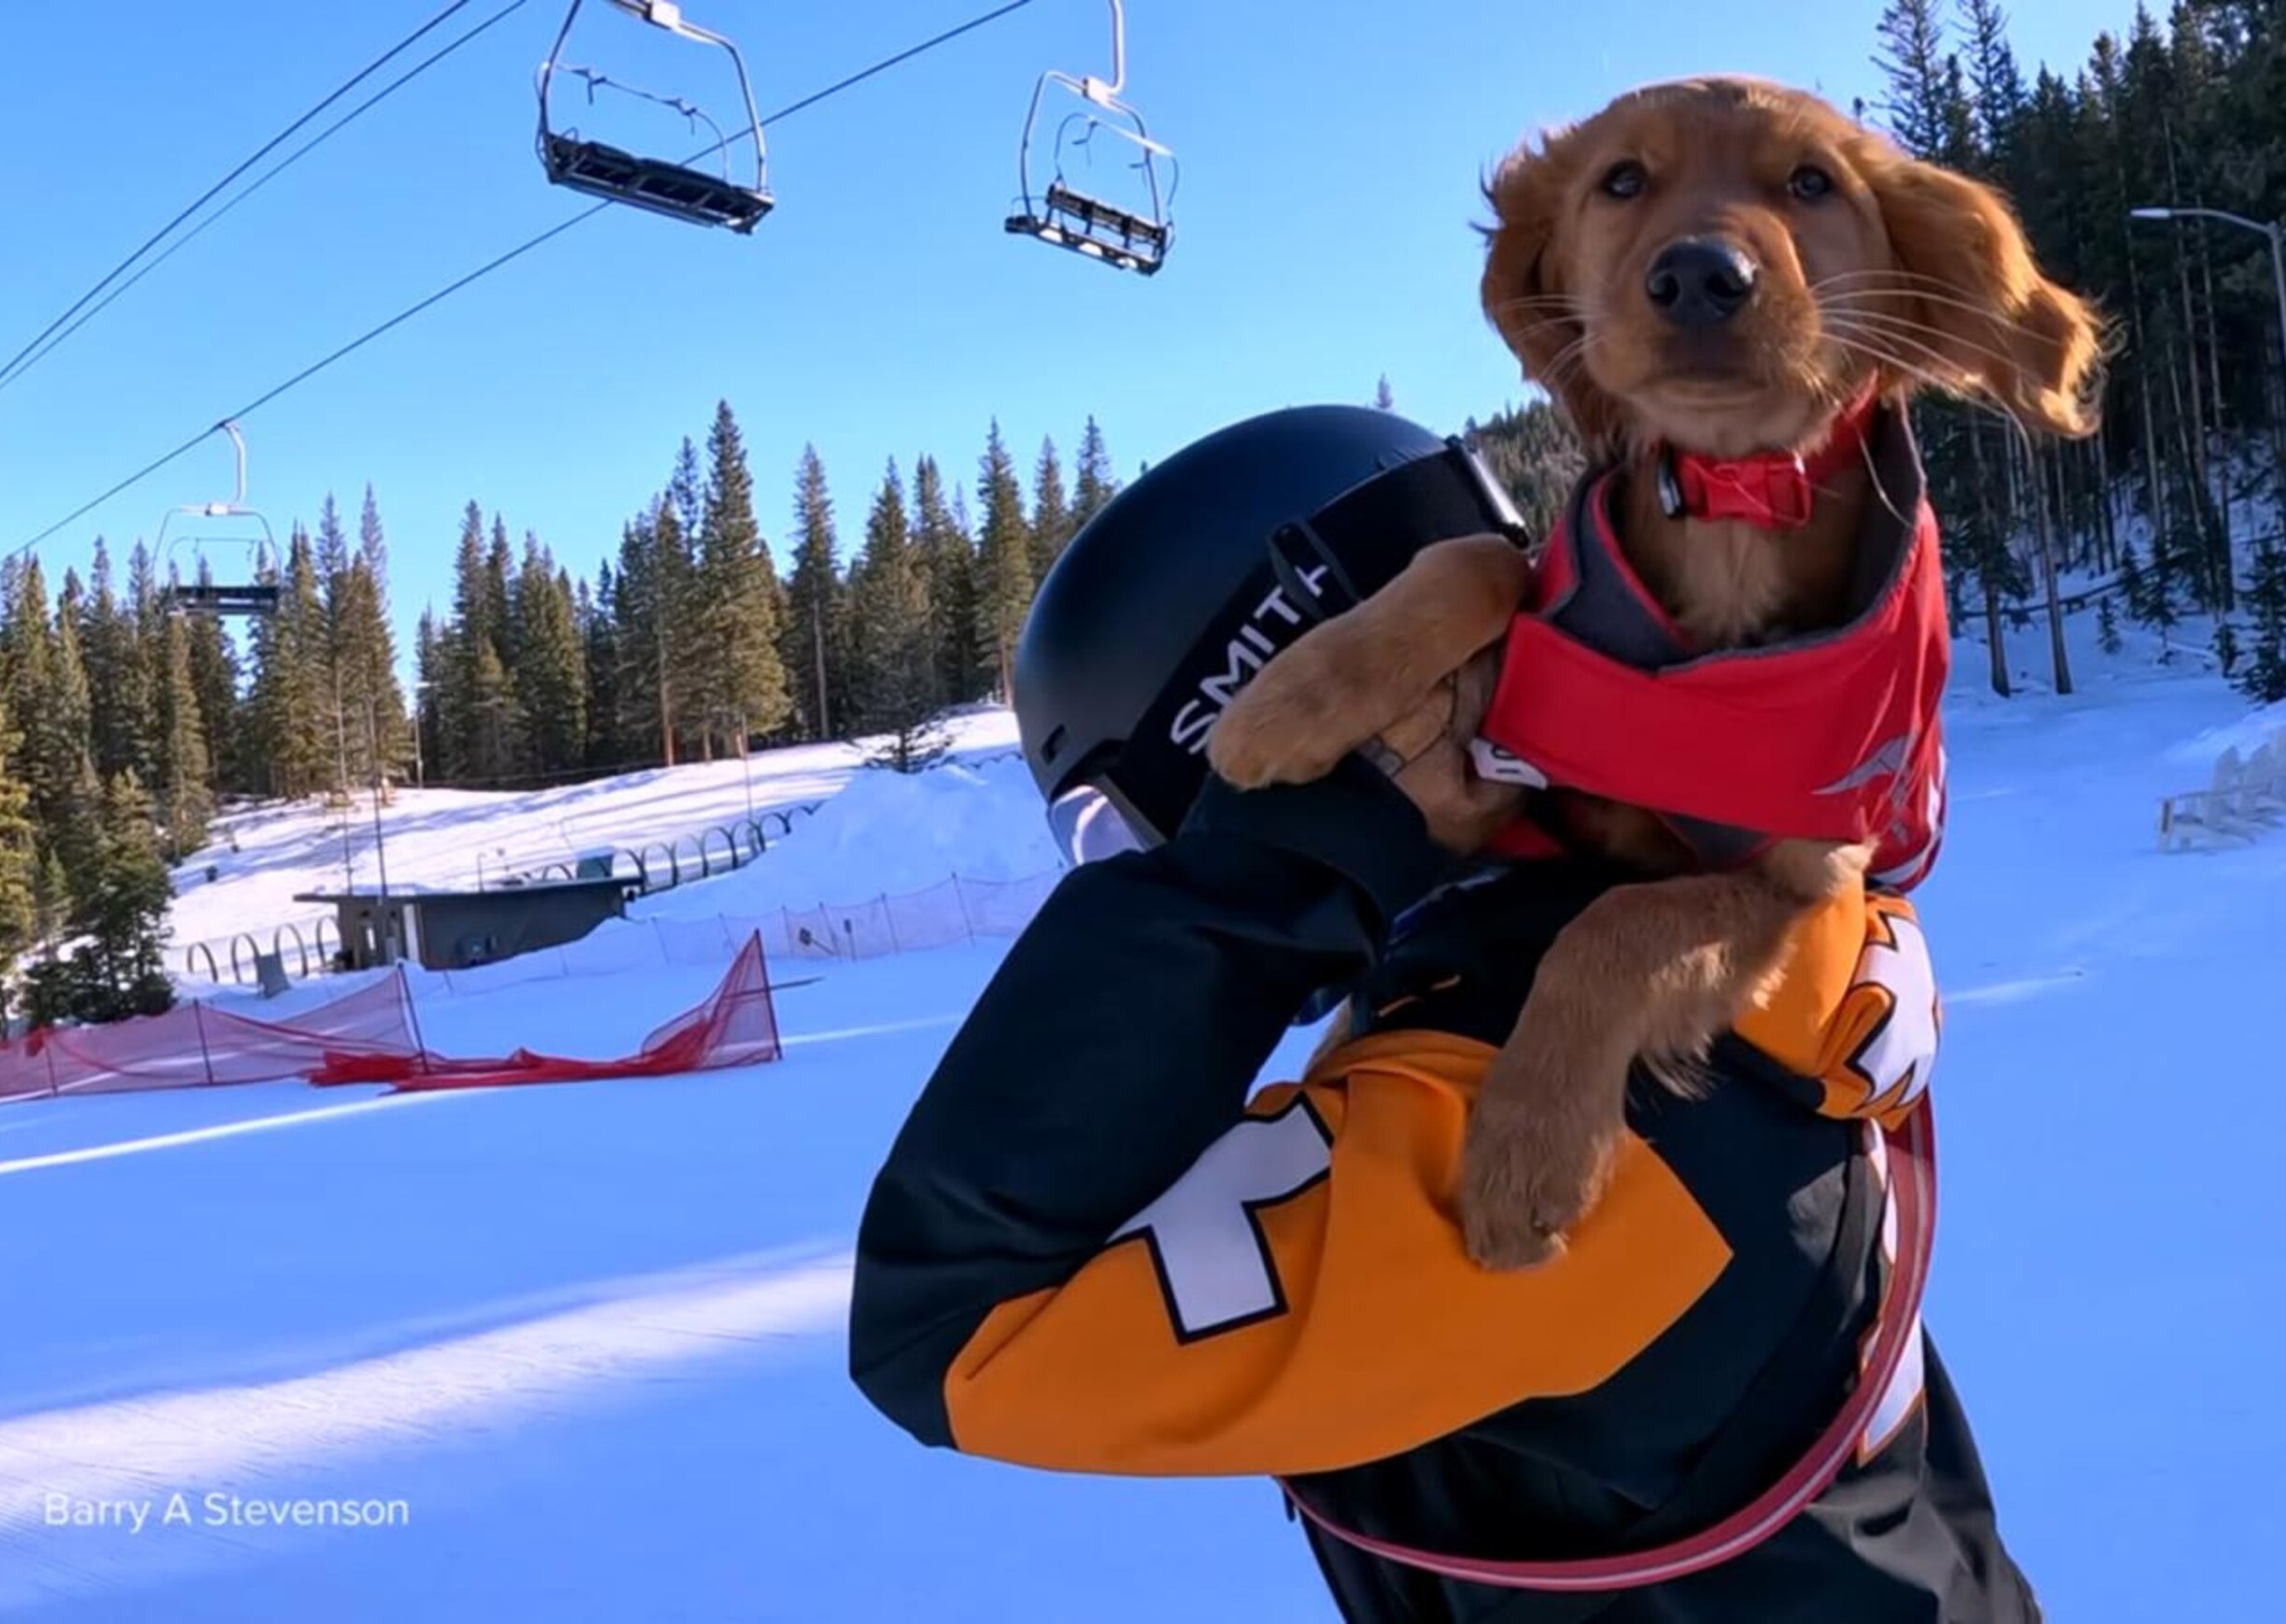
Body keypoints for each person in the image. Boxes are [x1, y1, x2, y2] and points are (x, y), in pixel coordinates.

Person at [846, 404, 2040, 1622]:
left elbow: (947, 1325)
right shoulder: (1702, 937)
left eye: (1124, 827)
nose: (1142, 863)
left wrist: (1287, 861)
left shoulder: (1545, 1099)